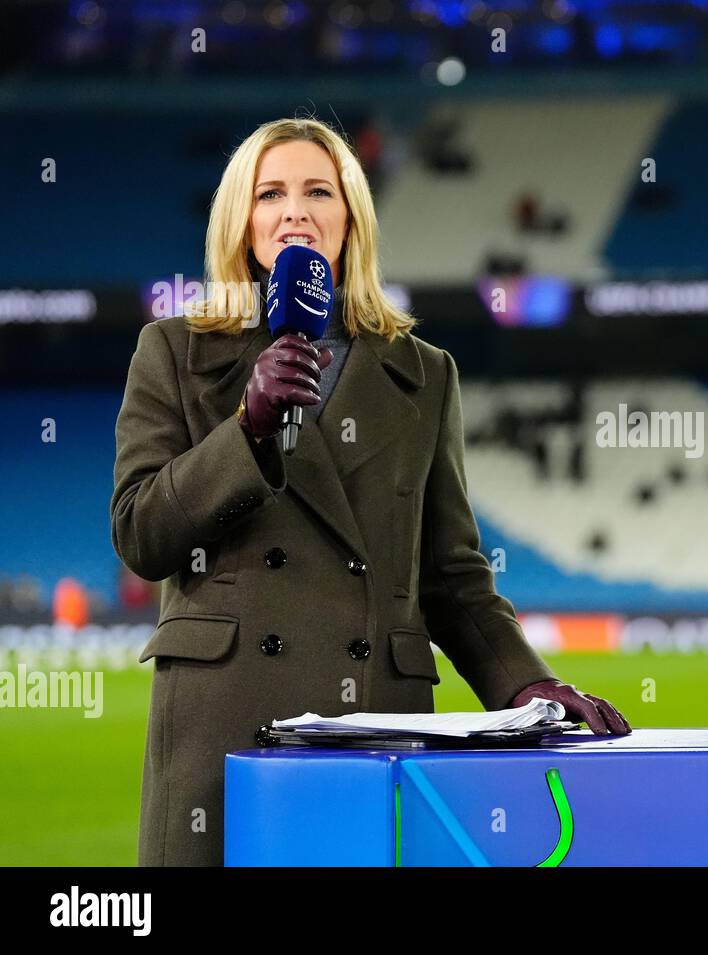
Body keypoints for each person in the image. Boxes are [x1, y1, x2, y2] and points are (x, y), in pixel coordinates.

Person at [111, 117, 630, 867]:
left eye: (318, 190)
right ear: (240, 222)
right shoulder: (172, 351)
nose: (294, 210)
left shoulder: (424, 372)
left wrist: (526, 684)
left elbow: (450, 574)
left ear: (350, 217)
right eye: (270, 193)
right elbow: (140, 533)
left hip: (375, 720)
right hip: (223, 727)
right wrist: (246, 432)